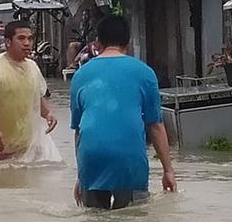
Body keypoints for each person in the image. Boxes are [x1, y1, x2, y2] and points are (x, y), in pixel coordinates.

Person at [70, 15, 176, 209]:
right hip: (129, 159)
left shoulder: (80, 75)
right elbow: (155, 126)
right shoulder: (145, 73)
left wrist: (82, 176)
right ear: (127, 43)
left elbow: (79, 131)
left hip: (91, 159)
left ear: (97, 43)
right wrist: (168, 170)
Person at [0, 20, 58, 162]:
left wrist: (49, 114)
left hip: (27, 145)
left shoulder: (32, 67)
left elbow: (36, 98)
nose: (27, 43)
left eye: (30, 38)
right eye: (21, 38)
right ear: (8, 42)